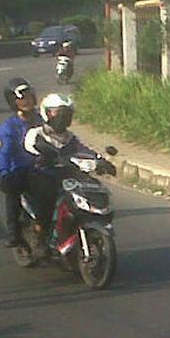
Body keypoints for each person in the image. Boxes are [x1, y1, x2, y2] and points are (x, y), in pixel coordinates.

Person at [23, 93, 101, 260]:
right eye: (57, 113)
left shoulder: (70, 138)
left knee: (93, 187)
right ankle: (40, 236)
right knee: (46, 197)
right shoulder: (36, 133)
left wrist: (101, 161)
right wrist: (45, 153)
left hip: (67, 175)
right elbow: (31, 146)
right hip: (42, 175)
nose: (62, 118)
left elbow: (85, 150)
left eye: (66, 114)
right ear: (46, 113)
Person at [0, 78, 42, 247]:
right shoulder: (9, 127)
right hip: (21, 171)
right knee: (12, 192)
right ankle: (14, 232)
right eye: (22, 98)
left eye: (29, 97)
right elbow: (3, 152)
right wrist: (4, 173)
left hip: (44, 168)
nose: (27, 101)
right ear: (13, 102)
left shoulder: (42, 121)